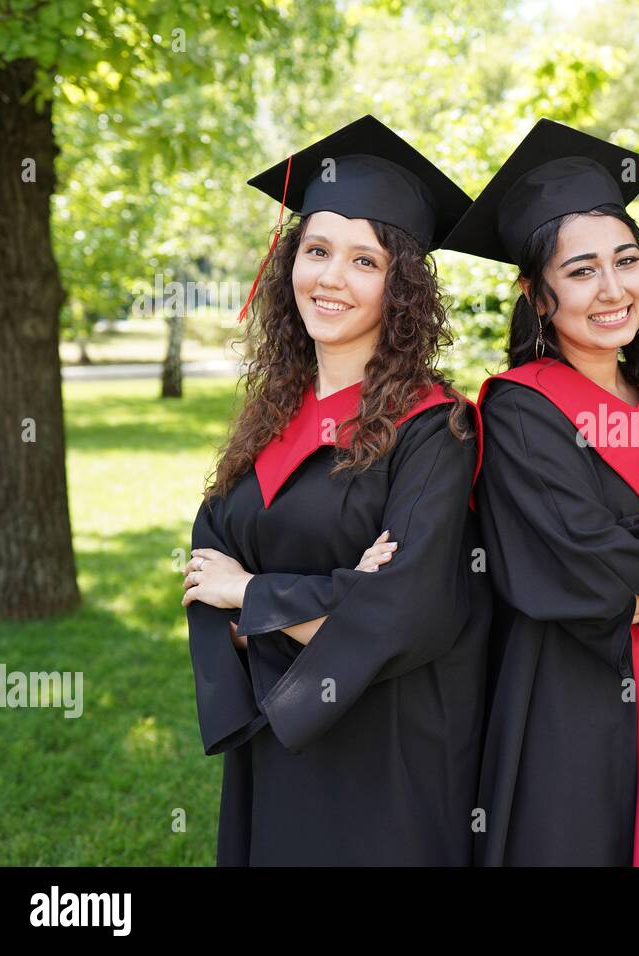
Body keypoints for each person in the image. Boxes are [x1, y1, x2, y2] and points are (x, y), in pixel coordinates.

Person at [442, 119, 639, 865]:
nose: (614, 288)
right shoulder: (519, 405)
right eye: (582, 270)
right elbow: (572, 568)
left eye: (627, 261)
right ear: (537, 291)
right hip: (570, 697)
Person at [181, 115, 489, 866]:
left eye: (364, 261)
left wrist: (251, 596)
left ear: (401, 284)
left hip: (390, 753)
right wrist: (336, 594)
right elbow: (203, 569)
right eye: (317, 251)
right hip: (275, 733)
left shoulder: (435, 427)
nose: (331, 277)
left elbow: (406, 616)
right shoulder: (270, 417)